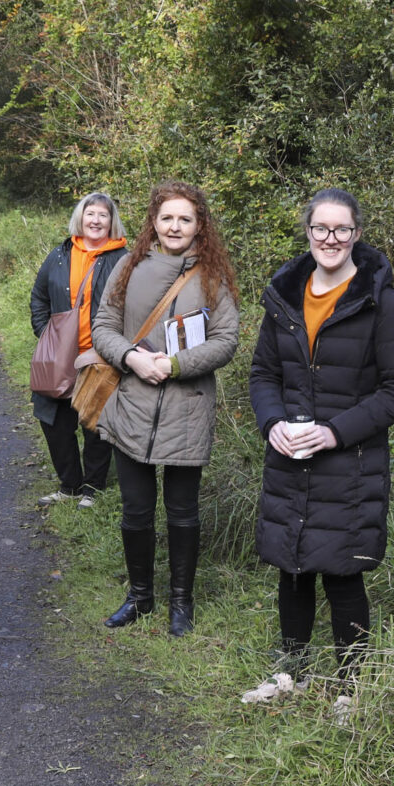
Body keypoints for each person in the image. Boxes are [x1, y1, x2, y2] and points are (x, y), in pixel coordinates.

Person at [245, 189, 394, 714]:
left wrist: (335, 433)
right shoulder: (284, 295)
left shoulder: (380, 301)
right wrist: (272, 422)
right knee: (291, 565)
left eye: (342, 229)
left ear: (357, 234)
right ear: (308, 232)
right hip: (289, 454)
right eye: (321, 228)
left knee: (343, 572)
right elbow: (263, 373)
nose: (331, 239)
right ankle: (289, 675)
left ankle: (351, 688)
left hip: (350, 459)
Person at [89, 182, 239, 636]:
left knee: (182, 510)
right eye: (167, 217)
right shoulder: (129, 267)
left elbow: (226, 340)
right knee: (135, 509)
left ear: (200, 226)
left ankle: (181, 603)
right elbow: (104, 325)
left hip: (186, 410)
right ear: (154, 222)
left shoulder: (212, 277)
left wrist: (174, 365)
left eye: (185, 219)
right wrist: (132, 358)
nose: (175, 226)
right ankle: (139, 597)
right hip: (131, 405)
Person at [29, 193, 128, 508]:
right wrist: (46, 334)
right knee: (54, 423)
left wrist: (116, 347)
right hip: (60, 357)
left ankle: (93, 488)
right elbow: (39, 295)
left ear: (111, 222)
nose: (96, 220)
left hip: (99, 357)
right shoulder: (60, 254)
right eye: (91, 214)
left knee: (94, 424)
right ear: (80, 218)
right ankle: (69, 485)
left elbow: (136, 307)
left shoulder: (123, 259)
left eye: (103, 215)